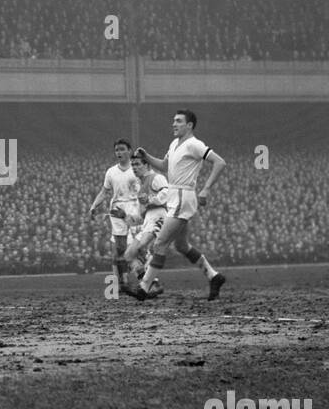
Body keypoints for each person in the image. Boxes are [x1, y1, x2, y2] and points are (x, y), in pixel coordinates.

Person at [130, 109, 227, 301]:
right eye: (173, 121)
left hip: (183, 195)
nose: (174, 124)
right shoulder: (175, 143)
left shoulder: (194, 144)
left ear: (189, 125)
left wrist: (206, 189)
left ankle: (144, 287)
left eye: (178, 121)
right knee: (181, 245)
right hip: (175, 195)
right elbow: (165, 166)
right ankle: (214, 276)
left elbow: (220, 162)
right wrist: (147, 156)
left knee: (160, 243)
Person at [88, 139, 141, 291]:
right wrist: (94, 206)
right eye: (117, 150)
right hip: (116, 210)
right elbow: (104, 191)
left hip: (134, 208)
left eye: (122, 149)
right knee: (119, 248)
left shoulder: (137, 169)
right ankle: (121, 282)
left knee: (134, 247)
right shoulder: (111, 172)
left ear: (130, 151)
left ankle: (146, 279)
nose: (119, 152)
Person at [120, 152, 173, 295]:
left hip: (159, 216)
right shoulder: (140, 184)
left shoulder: (156, 178)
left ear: (147, 165)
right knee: (129, 255)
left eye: (137, 164)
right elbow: (142, 215)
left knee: (143, 246)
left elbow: (167, 193)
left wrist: (150, 199)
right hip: (148, 220)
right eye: (132, 165)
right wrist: (126, 217)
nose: (134, 168)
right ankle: (152, 284)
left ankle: (146, 285)